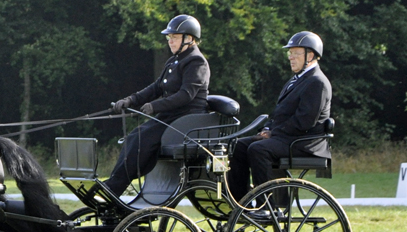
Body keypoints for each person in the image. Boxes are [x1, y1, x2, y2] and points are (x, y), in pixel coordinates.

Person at [105, 14, 210, 196]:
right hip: (171, 116)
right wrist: (130, 100)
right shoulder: (174, 61)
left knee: (142, 139)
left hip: (186, 120)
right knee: (134, 137)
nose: (170, 41)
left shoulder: (196, 62)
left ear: (190, 39)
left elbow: (186, 95)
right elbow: (156, 87)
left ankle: (115, 187)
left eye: (175, 37)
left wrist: (155, 106)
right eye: (169, 37)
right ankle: (114, 183)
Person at [227, 31, 332, 202]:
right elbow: (279, 114)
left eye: (295, 53)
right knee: (238, 146)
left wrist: (273, 134)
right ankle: (240, 202)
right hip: (286, 137)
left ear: (310, 55)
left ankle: (267, 205)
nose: (290, 57)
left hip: (304, 142)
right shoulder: (296, 80)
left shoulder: (317, 82)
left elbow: (304, 120)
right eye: (290, 53)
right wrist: (267, 128)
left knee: (258, 149)